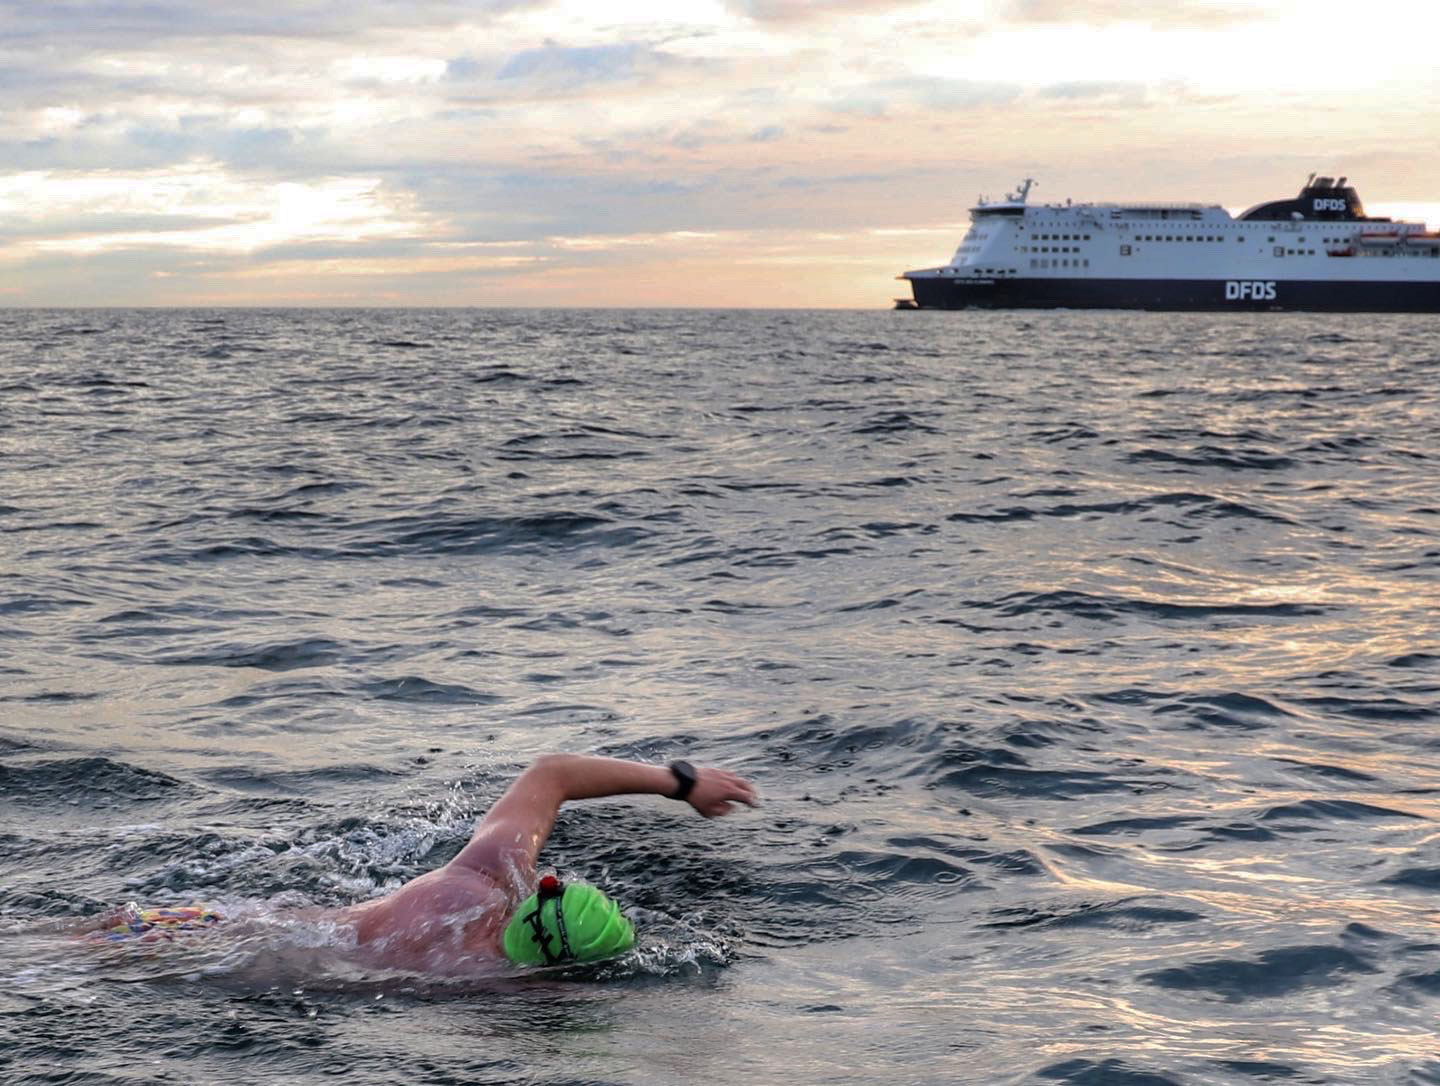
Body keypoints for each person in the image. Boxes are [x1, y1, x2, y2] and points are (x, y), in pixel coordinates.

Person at [88, 754, 759, 974]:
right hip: (248, 961)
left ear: (542, 890)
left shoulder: (487, 874)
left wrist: (681, 780)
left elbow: (551, 773)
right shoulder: (475, 983)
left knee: (95, 936)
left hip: (225, 923)